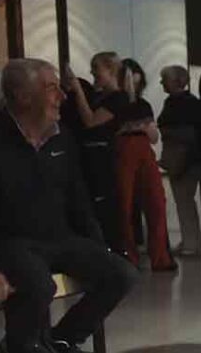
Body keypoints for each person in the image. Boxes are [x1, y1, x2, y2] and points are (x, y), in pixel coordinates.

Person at [0, 58, 136, 353]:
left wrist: (100, 247)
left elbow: (78, 199)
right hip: (10, 241)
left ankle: (64, 337)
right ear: (22, 96)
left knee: (121, 273)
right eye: (51, 88)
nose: (62, 95)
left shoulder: (62, 138)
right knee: (37, 282)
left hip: (58, 238)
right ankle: (21, 342)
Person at [67, 53, 176, 271]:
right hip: (118, 153)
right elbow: (94, 123)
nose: (92, 73)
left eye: (96, 68)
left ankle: (157, 255)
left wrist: (137, 128)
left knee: (154, 202)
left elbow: (152, 135)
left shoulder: (125, 101)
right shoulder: (107, 99)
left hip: (136, 152)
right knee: (124, 206)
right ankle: (130, 255)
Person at [159, 65, 201, 257]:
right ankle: (189, 240)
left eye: (164, 79)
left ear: (176, 81)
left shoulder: (180, 104)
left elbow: (190, 133)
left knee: (184, 202)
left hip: (185, 160)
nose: (162, 83)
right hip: (187, 159)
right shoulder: (188, 103)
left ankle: (191, 243)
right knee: (184, 202)